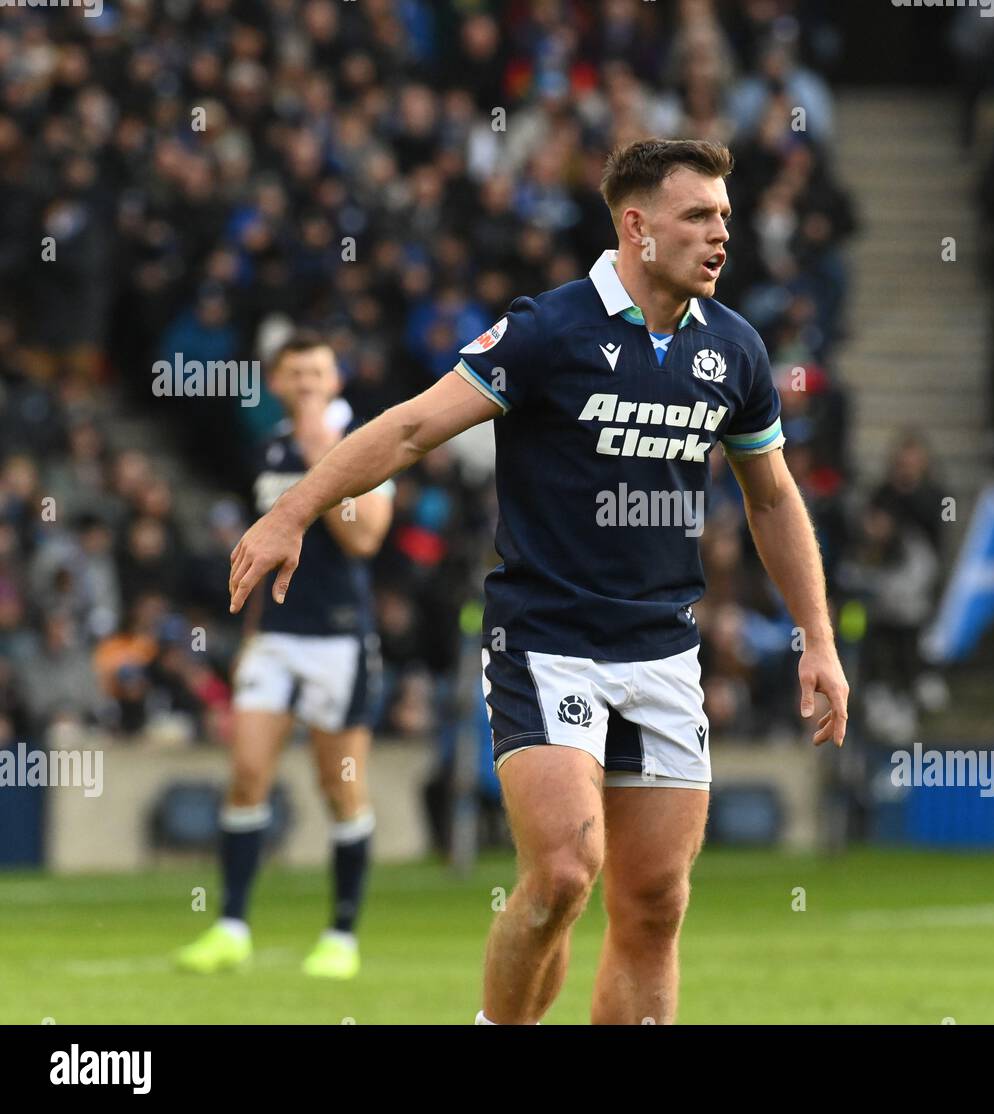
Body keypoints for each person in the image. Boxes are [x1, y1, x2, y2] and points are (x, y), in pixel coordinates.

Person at [227, 139, 849, 1023]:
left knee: (655, 906)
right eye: (699, 217)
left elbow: (775, 499)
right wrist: (292, 511)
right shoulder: (550, 330)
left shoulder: (736, 352)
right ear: (636, 228)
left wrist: (817, 640)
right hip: (546, 642)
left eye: (725, 218)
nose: (721, 236)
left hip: (663, 651)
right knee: (562, 875)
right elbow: (409, 431)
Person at [175, 332, 394, 979]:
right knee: (245, 774)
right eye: (294, 374)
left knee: (340, 787)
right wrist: (250, 637)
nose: (305, 383)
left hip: (339, 636)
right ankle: (231, 925)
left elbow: (365, 538)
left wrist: (320, 454)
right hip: (275, 637)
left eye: (316, 372)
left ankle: (341, 935)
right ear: (276, 383)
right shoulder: (267, 450)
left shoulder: (367, 439)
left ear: (337, 379)